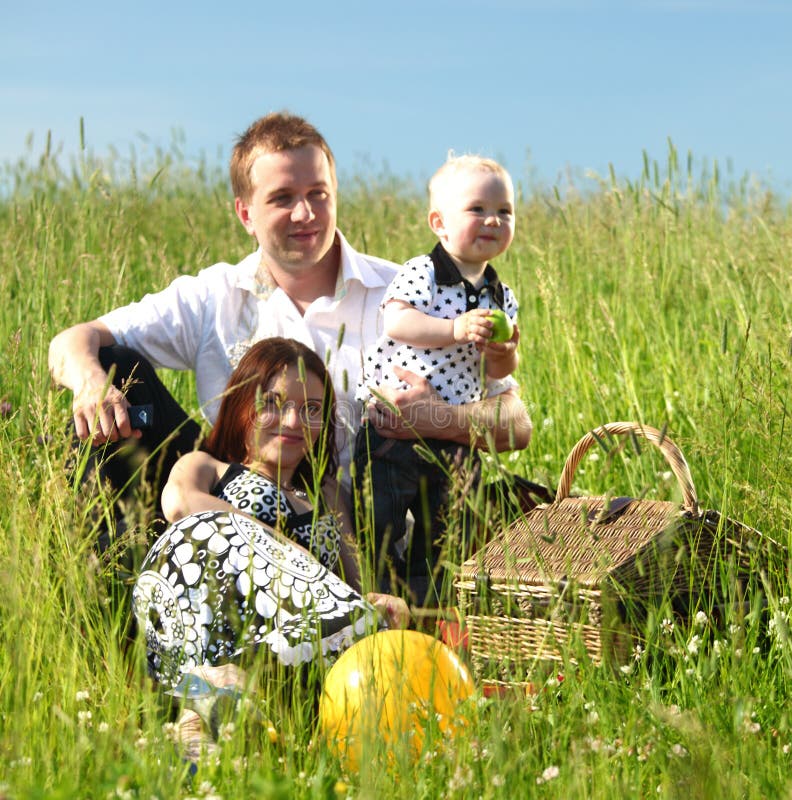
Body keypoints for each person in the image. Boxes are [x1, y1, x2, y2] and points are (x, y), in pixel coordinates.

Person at [47, 111, 532, 540]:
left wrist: (437, 419)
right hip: (238, 510)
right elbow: (71, 342)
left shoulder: (408, 292)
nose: (305, 214)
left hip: (366, 528)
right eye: (282, 198)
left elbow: (516, 423)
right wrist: (93, 385)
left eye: (317, 194)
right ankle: (124, 599)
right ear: (246, 214)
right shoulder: (214, 294)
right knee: (114, 367)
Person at [132, 337, 409, 756]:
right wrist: (280, 546)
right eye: (274, 403)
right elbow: (180, 507)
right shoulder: (209, 467)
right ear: (242, 404)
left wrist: (381, 604)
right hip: (201, 625)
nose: (294, 421)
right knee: (207, 528)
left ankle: (220, 715)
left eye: (312, 410)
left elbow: (353, 586)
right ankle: (213, 693)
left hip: (289, 646)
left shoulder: (328, 495)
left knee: (369, 622)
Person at [354, 155, 521, 604]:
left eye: (504, 211)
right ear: (440, 223)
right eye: (477, 209)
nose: (493, 220)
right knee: (380, 525)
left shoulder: (501, 295)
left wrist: (502, 353)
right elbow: (397, 322)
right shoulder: (423, 271)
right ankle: (379, 604)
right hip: (392, 431)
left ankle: (428, 608)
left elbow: (499, 375)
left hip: (456, 436)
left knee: (450, 530)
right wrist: (455, 329)